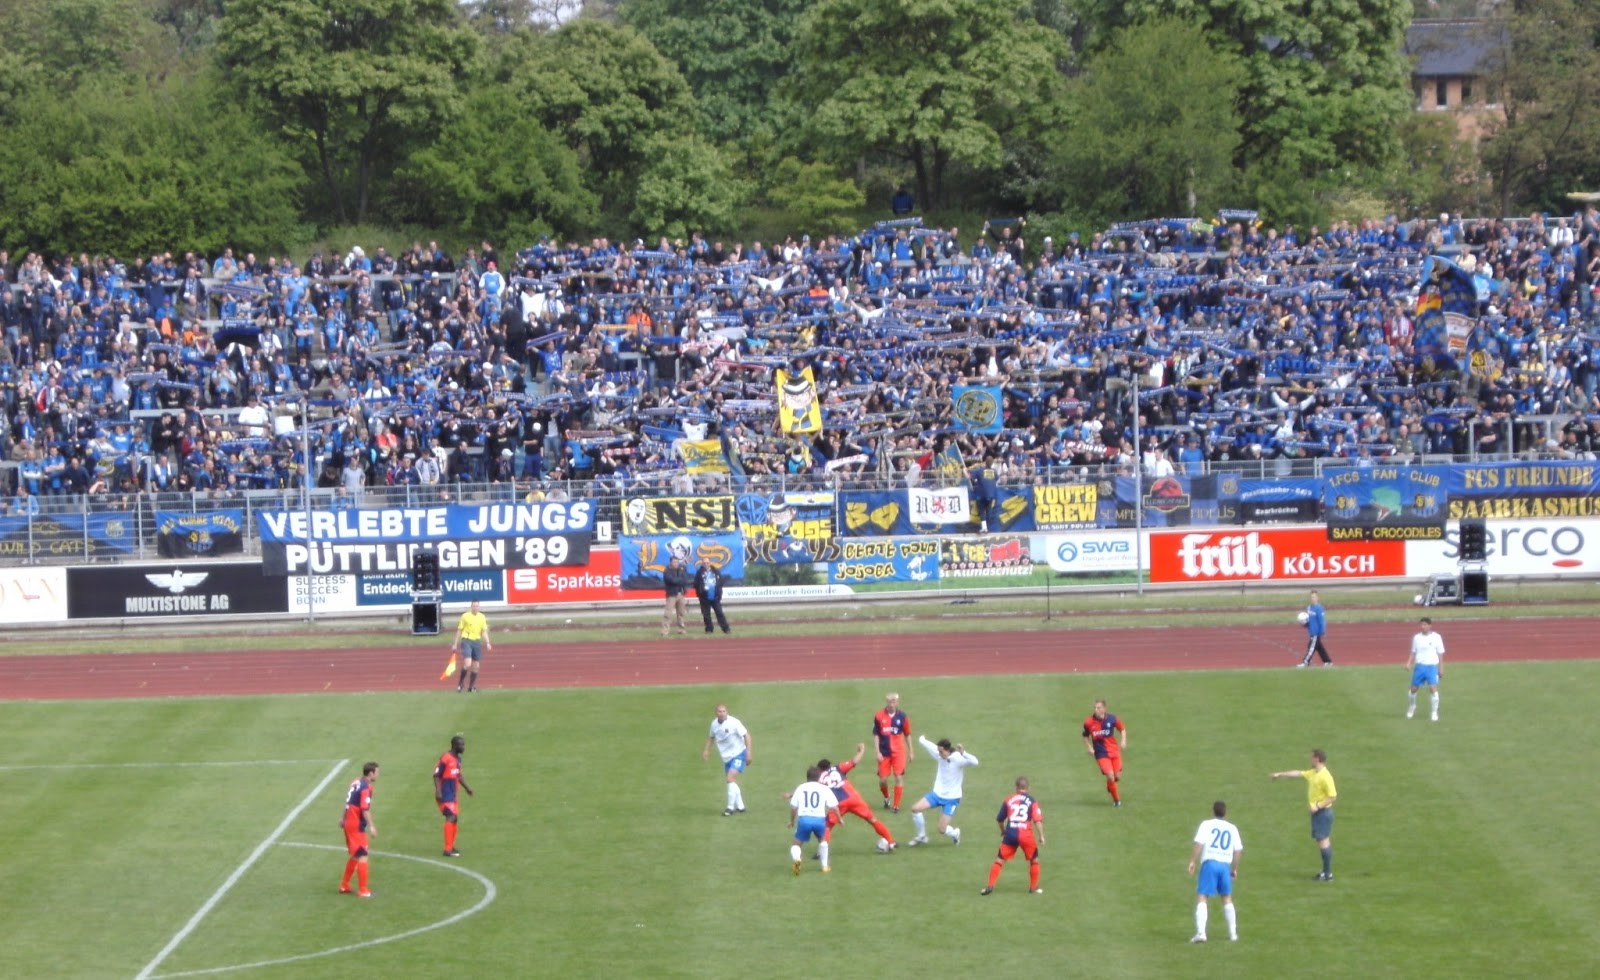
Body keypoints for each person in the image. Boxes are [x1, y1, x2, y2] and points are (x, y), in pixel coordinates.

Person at [816, 743, 896, 854]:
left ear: (819, 769)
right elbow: (854, 762)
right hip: (854, 799)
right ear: (830, 766)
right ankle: (891, 841)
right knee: (873, 820)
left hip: (839, 803)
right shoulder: (838, 768)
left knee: (827, 826)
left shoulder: (819, 778)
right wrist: (861, 750)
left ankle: (821, 852)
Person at [1271, 749, 1338, 881]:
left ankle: (1327, 873)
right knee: (1322, 841)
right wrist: (1281, 774)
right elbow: (1298, 773)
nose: (1310, 759)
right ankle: (1326, 871)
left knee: (1323, 841)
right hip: (1319, 813)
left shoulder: (1325, 776)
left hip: (1323, 813)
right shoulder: (1314, 773)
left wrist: (1317, 806)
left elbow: (1333, 796)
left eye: (1312, 757)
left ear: (1317, 759)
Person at [1187, 800, 1243, 942]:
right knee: (1227, 898)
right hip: (1224, 866)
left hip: (1210, 864)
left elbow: (1199, 843)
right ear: (1225, 813)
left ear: (1213, 811)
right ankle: (1233, 934)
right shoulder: (1232, 828)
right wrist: (1234, 869)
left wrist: (1193, 861)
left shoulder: (1206, 824)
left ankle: (1201, 933)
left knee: (1202, 896)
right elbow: (1238, 850)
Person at [908, 735, 978, 845]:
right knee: (915, 809)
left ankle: (955, 833)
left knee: (941, 829)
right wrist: (922, 740)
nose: (939, 754)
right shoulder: (939, 754)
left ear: (947, 750)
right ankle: (921, 836)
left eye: (941, 752)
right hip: (937, 794)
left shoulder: (958, 759)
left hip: (952, 799)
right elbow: (930, 746)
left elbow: (975, 762)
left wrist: (964, 753)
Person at [981, 776, 1045, 895]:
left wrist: (1003, 831)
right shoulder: (1032, 800)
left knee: (999, 860)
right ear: (1028, 788)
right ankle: (1033, 887)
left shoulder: (1008, 799)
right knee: (1034, 860)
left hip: (1010, 833)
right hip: (1026, 835)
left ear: (1016, 788)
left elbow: (1000, 819)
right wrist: (1041, 836)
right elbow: (1037, 820)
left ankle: (990, 885)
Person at [788, 765, 840, 874]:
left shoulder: (801, 788)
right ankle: (824, 867)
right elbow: (834, 807)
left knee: (796, 844)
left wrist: (792, 821)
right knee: (823, 841)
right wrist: (839, 819)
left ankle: (797, 861)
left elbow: (793, 807)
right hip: (819, 820)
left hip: (804, 820)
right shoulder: (824, 788)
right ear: (819, 777)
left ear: (807, 777)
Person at [702, 704, 752, 816]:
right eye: (719, 711)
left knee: (730, 779)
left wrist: (748, 753)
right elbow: (711, 737)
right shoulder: (714, 724)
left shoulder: (734, 722)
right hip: (727, 757)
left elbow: (747, 736)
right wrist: (706, 750)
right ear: (716, 713)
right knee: (731, 781)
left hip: (739, 754)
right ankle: (741, 806)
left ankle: (730, 808)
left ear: (727, 712)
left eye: (724, 711)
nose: (722, 713)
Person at [339, 761, 379, 898]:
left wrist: (342, 818)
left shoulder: (356, 782)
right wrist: (371, 826)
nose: (378, 775)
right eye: (377, 772)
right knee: (363, 855)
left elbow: (348, 802)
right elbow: (364, 808)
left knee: (356, 855)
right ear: (371, 773)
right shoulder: (366, 787)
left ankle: (344, 885)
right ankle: (363, 890)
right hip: (355, 824)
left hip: (349, 821)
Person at [433, 734, 475, 857]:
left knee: (454, 819)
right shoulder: (445, 758)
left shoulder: (458, 759)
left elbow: (458, 775)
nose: (464, 747)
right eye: (461, 745)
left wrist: (467, 788)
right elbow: (436, 775)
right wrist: (438, 791)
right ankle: (447, 849)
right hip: (444, 794)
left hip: (452, 795)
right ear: (455, 746)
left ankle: (451, 846)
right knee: (451, 817)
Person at [872, 692, 913, 812]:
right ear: (886, 702)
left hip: (898, 753)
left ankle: (896, 806)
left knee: (898, 776)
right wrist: (877, 751)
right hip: (884, 753)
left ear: (897, 702)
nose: (891, 704)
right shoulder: (879, 715)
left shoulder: (903, 717)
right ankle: (886, 797)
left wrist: (911, 751)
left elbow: (907, 734)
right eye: (889, 702)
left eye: (893, 701)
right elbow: (876, 734)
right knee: (883, 780)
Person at [1082, 699, 1127, 806]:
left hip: (1114, 751)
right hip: (1101, 753)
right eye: (1095, 708)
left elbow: (1122, 729)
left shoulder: (1112, 719)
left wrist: (1123, 740)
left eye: (1098, 708)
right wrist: (1089, 747)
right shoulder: (1088, 722)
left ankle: (1110, 785)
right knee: (1111, 776)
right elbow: (1085, 736)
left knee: (1117, 777)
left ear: (1104, 709)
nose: (1096, 710)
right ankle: (1117, 801)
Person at [1407, 616, 1446, 721]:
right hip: (1420, 666)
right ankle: (1412, 706)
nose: (1422, 627)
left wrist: (1441, 668)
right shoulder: (1416, 638)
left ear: (1430, 625)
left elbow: (1440, 653)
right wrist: (1409, 663)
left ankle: (1434, 712)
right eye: (1421, 625)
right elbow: (1413, 651)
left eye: (1424, 625)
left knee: (1433, 689)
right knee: (1413, 689)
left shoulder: (1437, 637)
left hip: (1431, 667)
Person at [450, 599, 491, 692]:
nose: (475, 608)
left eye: (477, 606)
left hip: (477, 641)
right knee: (468, 663)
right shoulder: (465, 616)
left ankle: (471, 686)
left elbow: (484, 631)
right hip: (467, 640)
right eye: (474, 606)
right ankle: (460, 683)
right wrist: (455, 644)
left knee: (476, 665)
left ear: (479, 607)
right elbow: (459, 630)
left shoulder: (482, 617)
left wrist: (488, 642)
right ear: (471, 607)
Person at [693, 557, 730, 634]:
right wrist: (700, 593)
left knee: (719, 613)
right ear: (702, 564)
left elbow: (721, 582)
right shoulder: (699, 573)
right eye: (704, 563)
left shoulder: (715, 571)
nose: (706, 564)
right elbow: (695, 584)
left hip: (715, 596)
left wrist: (719, 593)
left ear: (710, 563)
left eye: (707, 563)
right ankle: (709, 629)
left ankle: (726, 629)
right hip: (704, 597)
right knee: (706, 614)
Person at [1297, 590, 1334, 667]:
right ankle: (1328, 661)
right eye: (1311, 597)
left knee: (1311, 647)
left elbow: (1321, 621)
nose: (1313, 598)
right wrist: (1304, 623)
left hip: (1316, 633)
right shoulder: (1309, 608)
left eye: (1314, 597)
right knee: (1319, 647)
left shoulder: (1319, 608)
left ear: (1317, 598)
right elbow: (1307, 619)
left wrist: (1323, 630)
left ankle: (1305, 662)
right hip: (1311, 631)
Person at [661, 554, 692, 637]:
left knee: (681, 613)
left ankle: (681, 629)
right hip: (672, 594)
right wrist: (680, 580)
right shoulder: (667, 570)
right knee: (668, 614)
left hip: (681, 593)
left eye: (677, 562)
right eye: (674, 562)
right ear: (670, 562)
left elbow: (685, 579)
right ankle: (665, 631)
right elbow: (671, 580)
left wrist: (680, 581)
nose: (676, 563)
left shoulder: (682, 569)